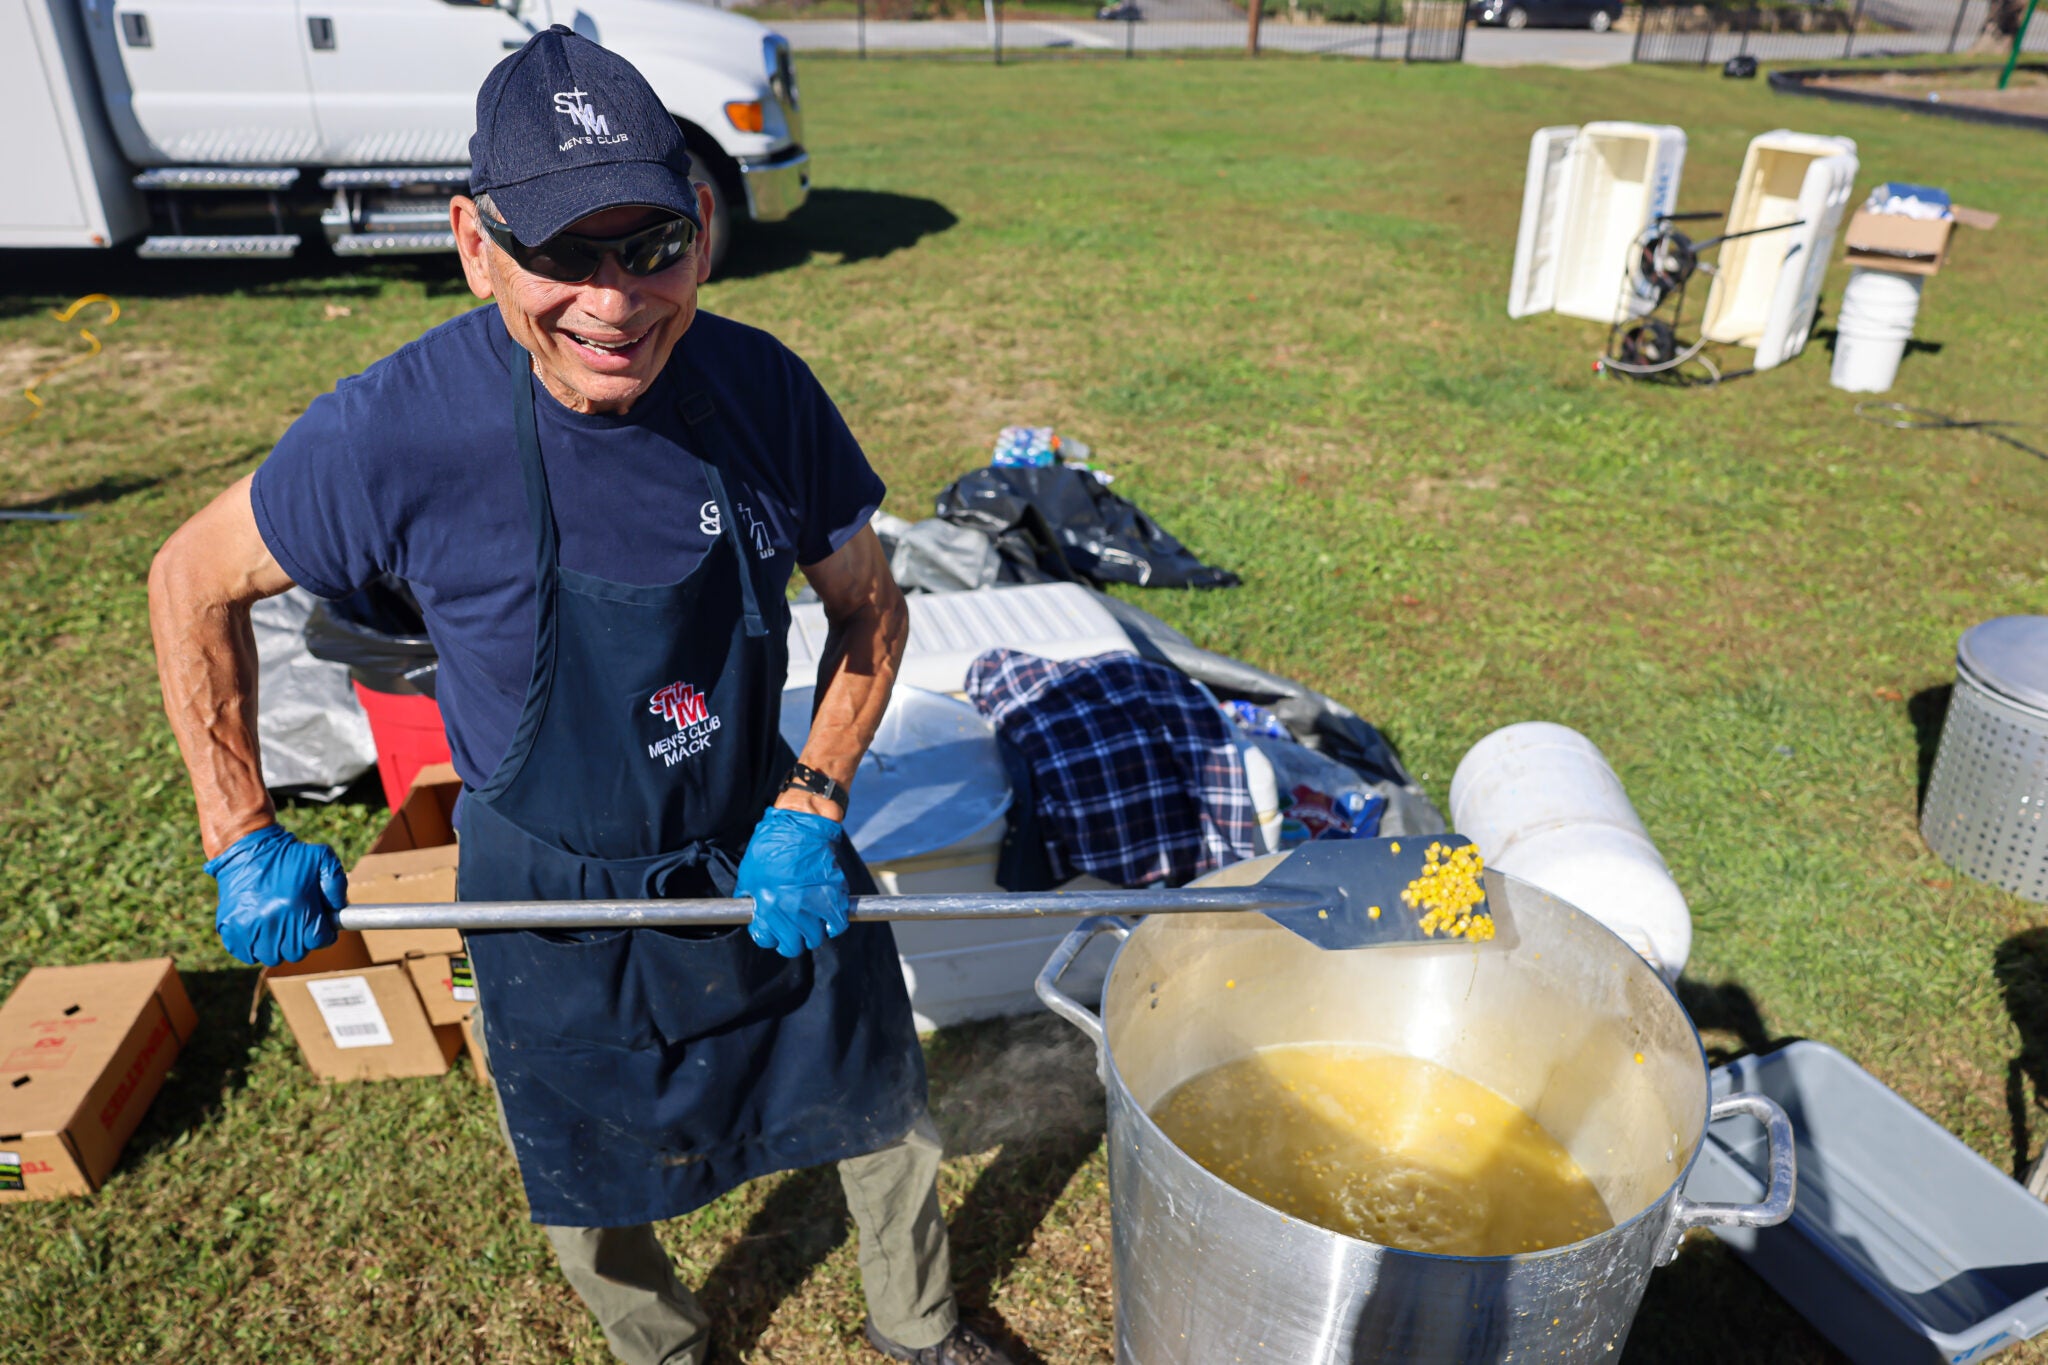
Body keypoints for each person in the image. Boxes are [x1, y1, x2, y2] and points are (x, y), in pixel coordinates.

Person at [147, 27, 1009, 1365]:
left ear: (703, 227)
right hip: (552, 892)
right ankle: (665, 1349)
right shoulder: (396, 435)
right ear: (476, 241)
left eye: (650, 246)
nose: (613, 303)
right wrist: (239, 829)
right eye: (561, 253)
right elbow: (188, 578)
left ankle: (921, 1327)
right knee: (590, 1185)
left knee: (880, 1100)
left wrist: (812, 797)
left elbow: (870, 611)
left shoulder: (763, 393)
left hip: (754, 834)